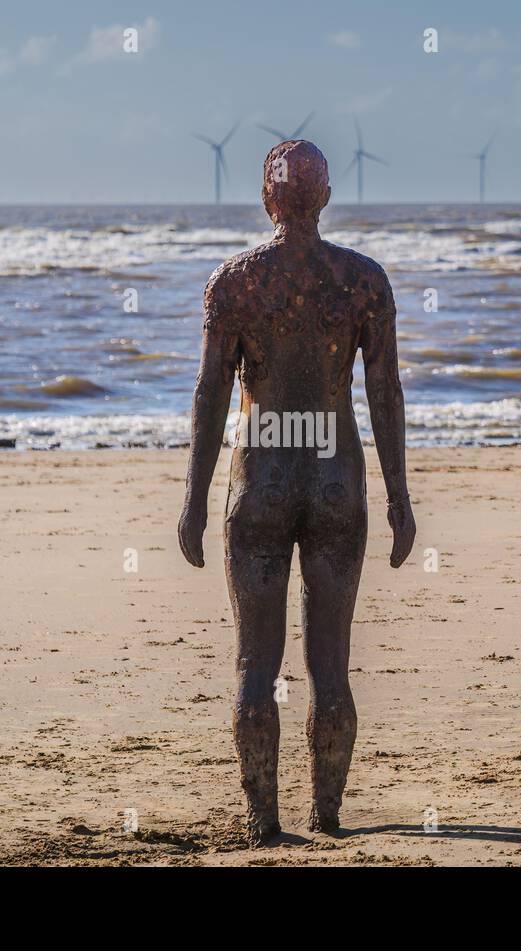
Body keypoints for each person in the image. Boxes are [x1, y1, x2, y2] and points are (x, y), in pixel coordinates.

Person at [177, 139, 415, 844]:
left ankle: (263, 822)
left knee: (256, 664)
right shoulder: (363, 280)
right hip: (337, 478)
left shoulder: (234, 282)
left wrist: (193, 499)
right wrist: (400, 496)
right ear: (326, 197)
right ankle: (330, 816)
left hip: (261, 483)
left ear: (266, 198)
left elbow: (211, 395)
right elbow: (385, 394)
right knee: (330, 665)